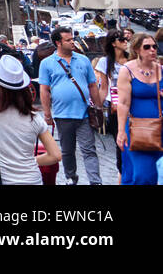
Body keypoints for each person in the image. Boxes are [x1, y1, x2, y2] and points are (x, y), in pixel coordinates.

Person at [0, 54, 62, 184]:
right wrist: (28, 162)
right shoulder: (34, 117)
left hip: (1, 180)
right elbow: (55, 155)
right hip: (32, 180)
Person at [38, 25, 102, 185]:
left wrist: (99, 108)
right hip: (62, 115)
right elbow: (44, 90)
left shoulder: (83, 59)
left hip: (84, 114)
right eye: (68, 40)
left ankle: (96, 181)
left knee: (89, 150)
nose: (73, 42)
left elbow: (92, 85)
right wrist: (47, 114)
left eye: (72, 38)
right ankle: (71, 178)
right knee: (67, 151)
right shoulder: (47, 63)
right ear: (58, 43)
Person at [115, 32, 163, 185]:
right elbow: (122, 103)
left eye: (154, 46)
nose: (152, 50)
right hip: (138, 131)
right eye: (147, 47)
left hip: (160, 129)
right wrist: (121, 131)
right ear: (137, 49)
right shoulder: (127, 70)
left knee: (157, 175)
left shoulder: (161, 69)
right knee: (143, 175)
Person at [96, 29, 130, 174]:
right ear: (113, 43)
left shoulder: (132, 59)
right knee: (120, 141)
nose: (126, 42)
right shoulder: (105, 62)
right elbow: (104, 88)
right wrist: (97, 106)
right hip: (115, 105)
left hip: (133, 103)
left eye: (126, 39)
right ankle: (122, 173)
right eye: (122, 40)